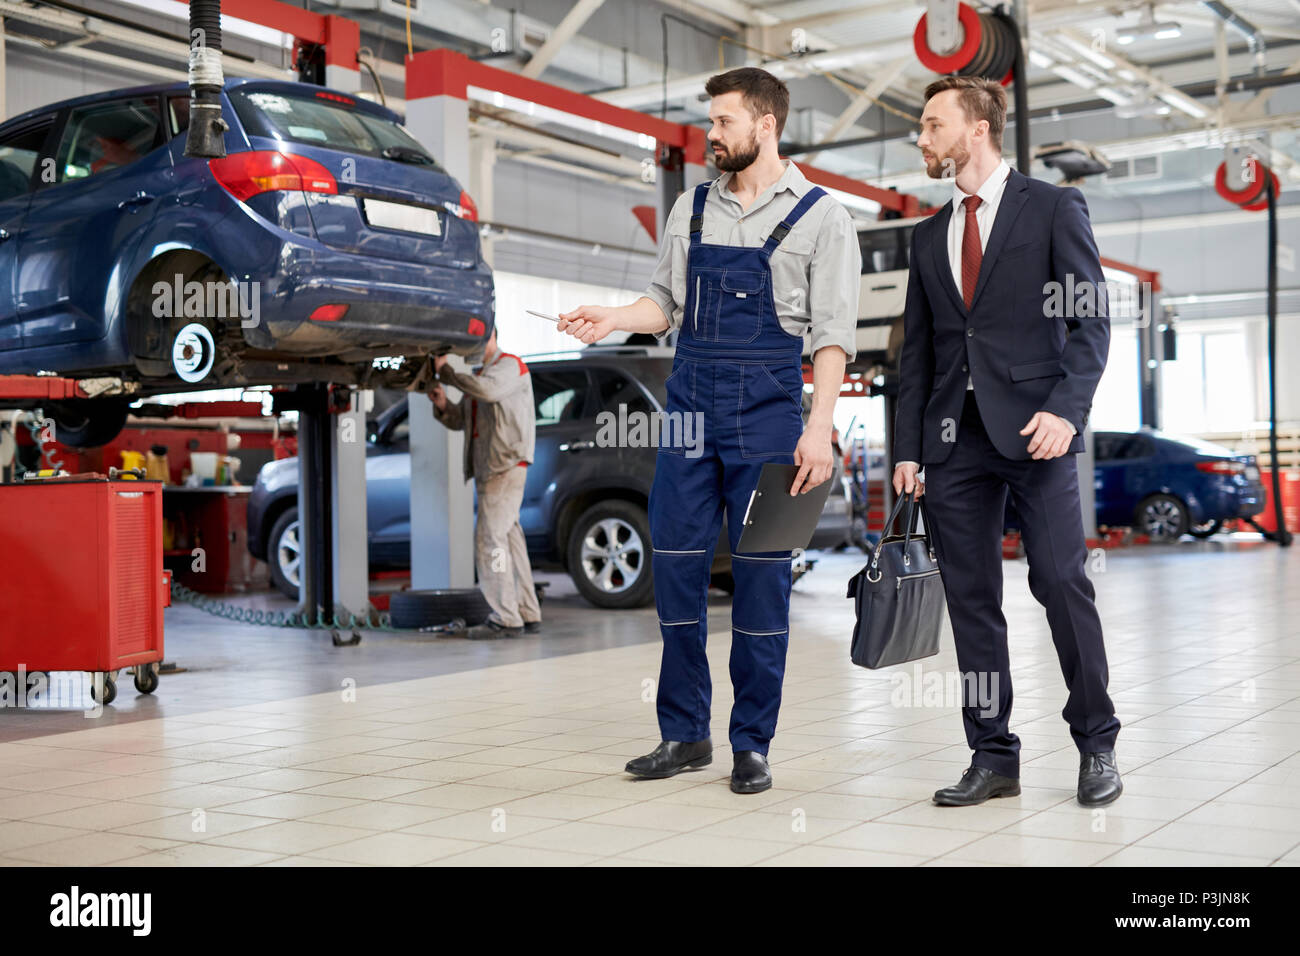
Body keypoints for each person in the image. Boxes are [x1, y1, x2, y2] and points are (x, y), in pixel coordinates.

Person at [556, 67, 859, 794]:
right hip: (690, 407)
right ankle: (684, 733)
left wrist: (819, 428)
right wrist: (614, 318)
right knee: (678, 566)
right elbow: (665, 301)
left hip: (771, 413)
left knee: (759, 583)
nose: (710, 136)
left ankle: (751, 743)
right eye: (710, 122)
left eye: (722, 122)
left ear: (766, 125)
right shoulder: (693, 206)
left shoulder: (823, 216)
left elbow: (831, 337)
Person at [893, 76, 1122, 808]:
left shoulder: (1053, 207)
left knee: (1061, 583)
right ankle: (993, 755)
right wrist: (908, 448)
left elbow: (1091, 321)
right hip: (953, 442)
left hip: (1037, 432)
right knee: (971, 600)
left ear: (978, 128)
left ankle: (1096, 743)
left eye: (933, 125)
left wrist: (1066, 409)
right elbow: (917, 356)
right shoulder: (929, 235)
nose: (922, 138)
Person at [429, 329, 542, 639]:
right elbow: (463, 419)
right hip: (491, 469)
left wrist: (448, 372)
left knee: (490, 539)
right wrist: (442, 405)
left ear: (491, 335)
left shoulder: (509, 366)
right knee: (509, 540)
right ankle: (527, 611)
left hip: (503, 467)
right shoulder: (483, 375)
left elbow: (488, 392)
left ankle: (506, 616)